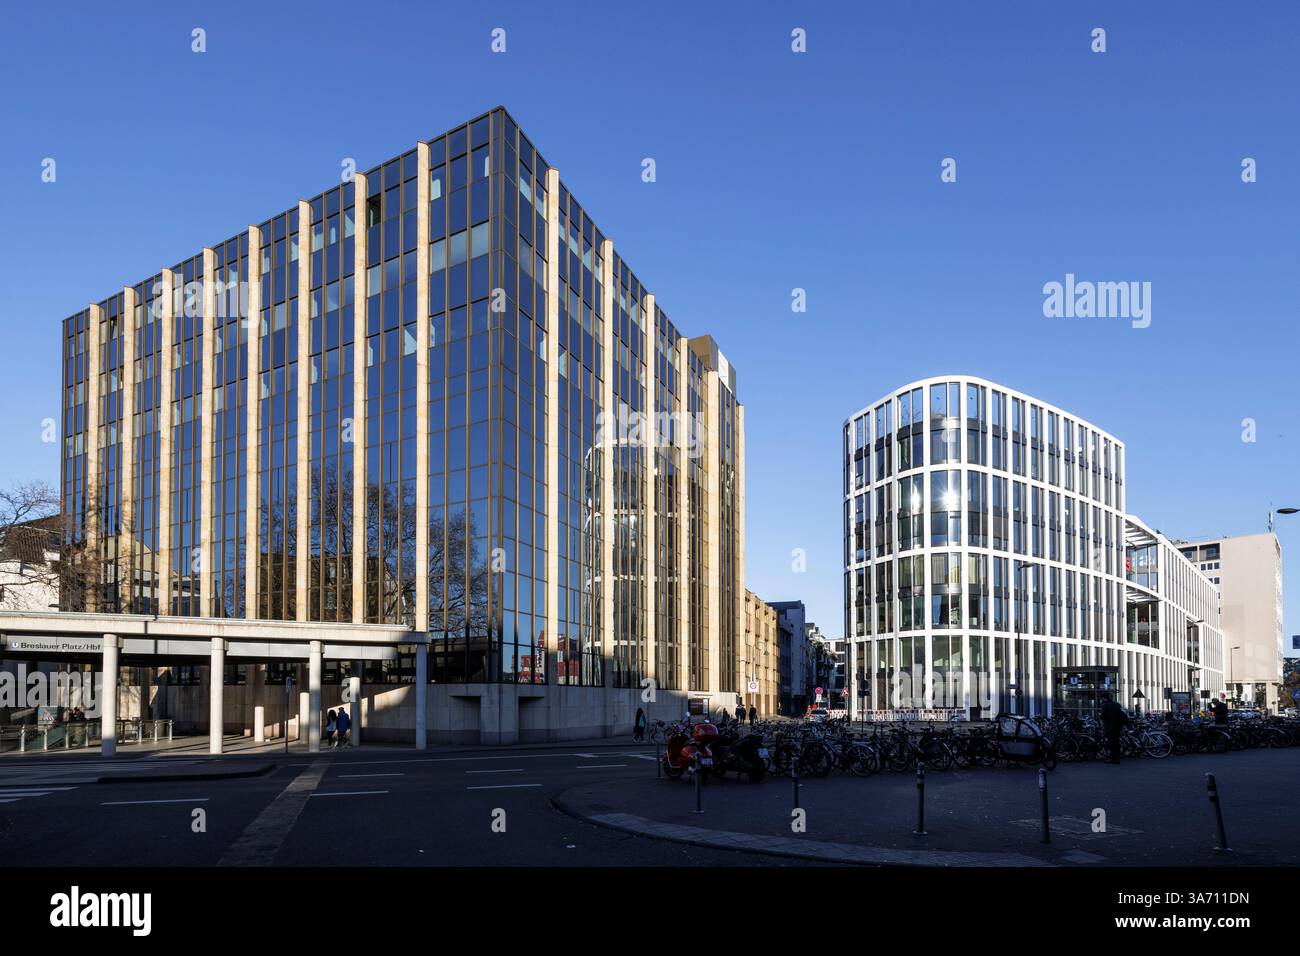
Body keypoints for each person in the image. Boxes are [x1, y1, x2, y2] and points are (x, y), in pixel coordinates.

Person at [1099, 693, 1128, 764]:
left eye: (1101, 699)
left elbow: (1103, 717)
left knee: (1111, 743)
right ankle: (1117, 759)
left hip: (1109, 727)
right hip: (1117, 727)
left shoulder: (1104, 705)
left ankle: (1112, 759)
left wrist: (1100, 716)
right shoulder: (1117, 704)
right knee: (1116, 743)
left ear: (1103, 698)